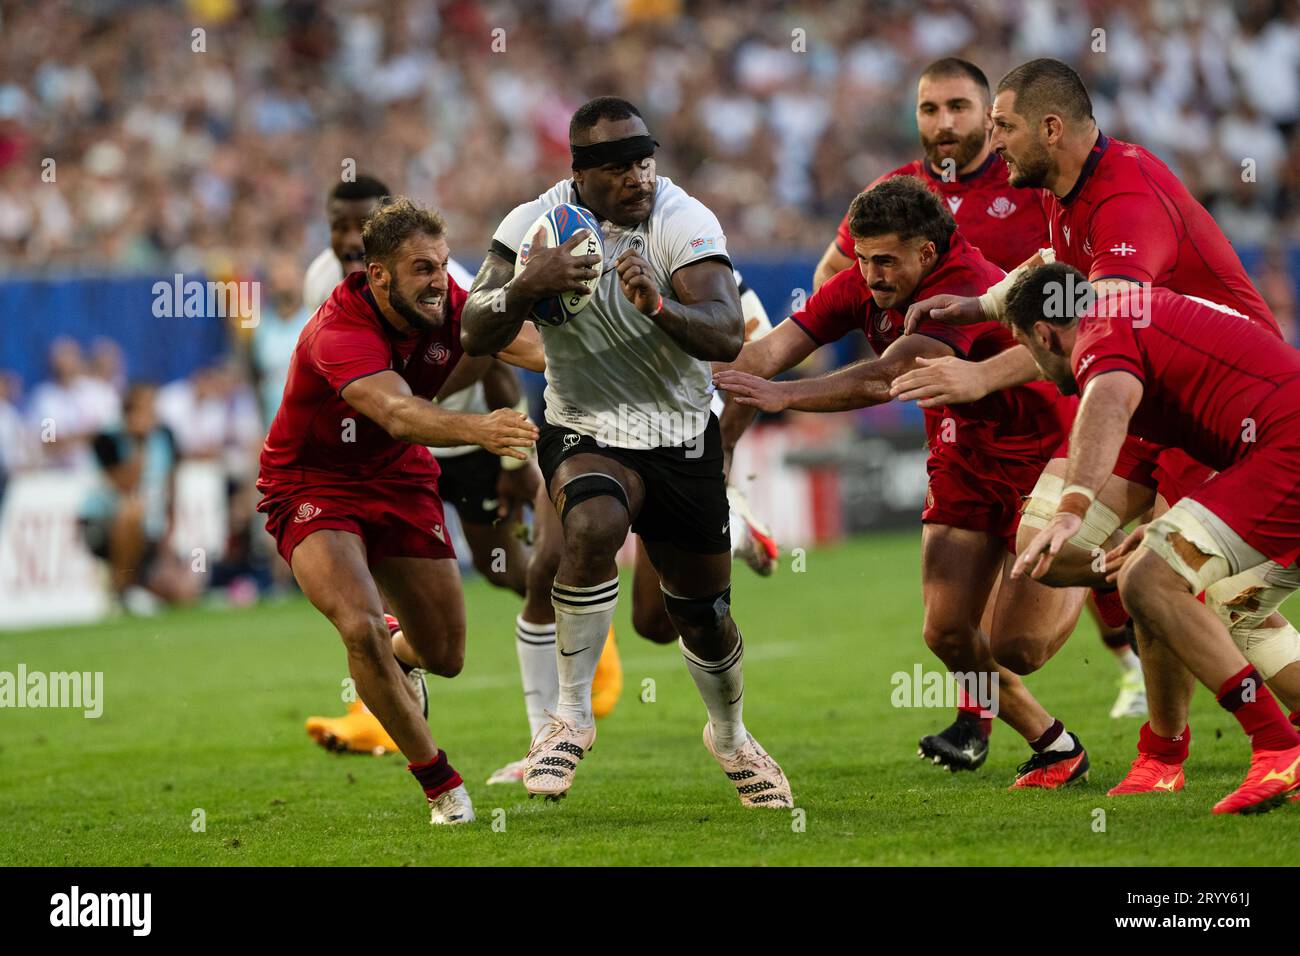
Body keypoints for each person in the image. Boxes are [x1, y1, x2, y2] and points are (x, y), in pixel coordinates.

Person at [894, 56, 1296, 795]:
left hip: (1215, 409)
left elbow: (1095, 337)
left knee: (1176, 582)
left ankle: (1188, 750)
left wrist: (983, 372)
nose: (991, 141)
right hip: (1153, 406)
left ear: (1051, 127)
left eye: (1002, 126)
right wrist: (981, 308)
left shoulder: (1127, 203)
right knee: (1036, 598)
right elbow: (1057, 276)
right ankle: (1175, 691)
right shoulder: (1063, 185)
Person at [462, 95, 793, 808]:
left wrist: (661, 308)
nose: (638, 178)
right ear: (579, 174)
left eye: (644, 162)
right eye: (617, 168)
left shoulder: (685, 219)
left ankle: (731, 735)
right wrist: (525, 287)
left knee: (696, 615)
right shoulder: (531, 227)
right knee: (590, 525)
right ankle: (569, 719)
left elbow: (728, 333)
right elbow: (473, 328)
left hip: (678, 430)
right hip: (583, 424)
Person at [716, 177, 1089, 788]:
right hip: (964, 455)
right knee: (945, 631)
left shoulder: (966, 283)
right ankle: (1056, 746)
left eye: (885, 260)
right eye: (862, 259)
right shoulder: (859, 285)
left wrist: (781, 396)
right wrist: (692, 375)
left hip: (1047, 453)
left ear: (928, 251)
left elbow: (883, 379)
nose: (870, 274)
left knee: (1018, 646)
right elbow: (767, 352)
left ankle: (1109, 567)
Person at [296, 175, 624, 775]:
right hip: (375, 458)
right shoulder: (325, 285)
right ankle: (394, 704)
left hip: (463, 444)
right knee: (371, 599)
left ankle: (584, 637)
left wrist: (511, 456)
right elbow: (375, 396)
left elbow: (499, 354)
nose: (347, 236)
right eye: (339, 224)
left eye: (358, 223)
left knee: (502, 573)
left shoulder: (450, 286)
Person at [256, 197, 541, 825]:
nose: (439, 279)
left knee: (445, 655)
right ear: (378, 274)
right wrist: (484, 430)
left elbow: (532, 348)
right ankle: (442, 785)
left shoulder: (452, 308)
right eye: (421, 268)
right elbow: (397, 412)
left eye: (441, 264)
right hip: (313, 482)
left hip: (398, 473)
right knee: (358, 626)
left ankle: (397, 655)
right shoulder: (338, 327)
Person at [1009, 264, 1300, 814]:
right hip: (1270, 452)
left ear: (1045, 334)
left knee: (1151, 579)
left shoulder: (1103, 325)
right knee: (1210, 596)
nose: (1045, 374)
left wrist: (1073, 509)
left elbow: (1108, 404)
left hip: (1285, 452)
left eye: (1031, 352)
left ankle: (1276, 746)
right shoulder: (1132, 315)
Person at [812, 57, 1048, 291]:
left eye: (958, 107)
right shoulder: (890, 192)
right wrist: (878, 323)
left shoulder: (1035, 184)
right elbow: (831, 269)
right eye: (929, 110)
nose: (944, 123)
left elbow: (1074, 266)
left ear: (989, 117)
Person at [80, 382, 198, 612]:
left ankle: (135, 585)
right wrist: (139, 443)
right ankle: (120, 591)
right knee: (131, 510)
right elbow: (127, 485)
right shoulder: (107, 439)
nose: (152, 415)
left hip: (149, 528)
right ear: (129, 412)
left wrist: (168, 535)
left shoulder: (165, 436)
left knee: (184, 593)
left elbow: (171, 488)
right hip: (104, 524)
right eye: (146, 408)